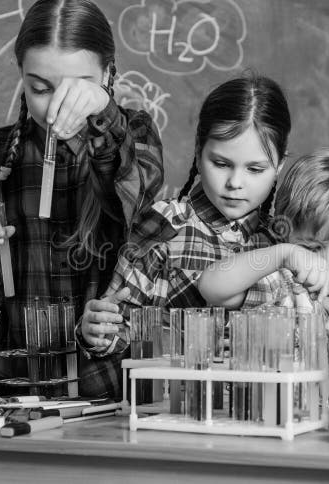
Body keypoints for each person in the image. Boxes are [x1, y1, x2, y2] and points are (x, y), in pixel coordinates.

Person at [0, 0, 164, 399]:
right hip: (19, 386)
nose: (56, 109)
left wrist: (103, 111)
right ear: (22, 77)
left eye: (78, 89)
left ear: (108, 75)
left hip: (109, 386)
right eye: (40, 89)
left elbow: (138, 206)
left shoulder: (135, 136)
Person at [78, 74, 292, 354]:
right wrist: (97, 330)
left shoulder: (283, 241)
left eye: (255, 169)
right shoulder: (166, 224)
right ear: (198, 151)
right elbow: (122, 327)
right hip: (176, 396)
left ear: (279, 165)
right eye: (221, 163)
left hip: (262, 397)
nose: (235, 182)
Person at [198, 149, 329, 410]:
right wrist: (283, 255)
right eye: (311, 248)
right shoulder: (281, 286)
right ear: (288, 238)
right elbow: (211, 287)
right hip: (288, 433)